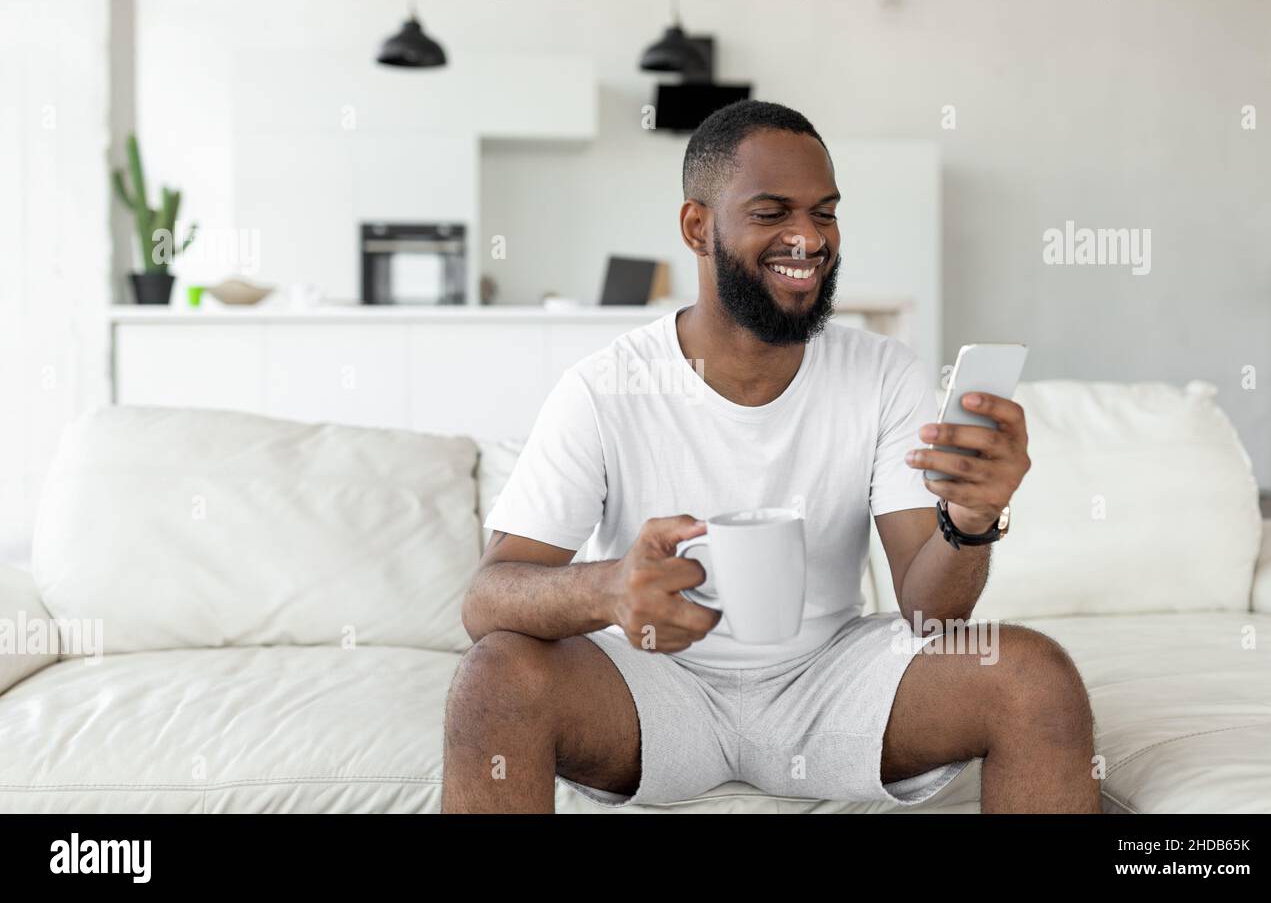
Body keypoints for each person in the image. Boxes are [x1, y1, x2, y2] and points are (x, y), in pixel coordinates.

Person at [441, 100, 1100, 814]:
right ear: (698, 226)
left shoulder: (883, 374)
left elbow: (930, 611)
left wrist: (970, 519)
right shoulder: (604, 388)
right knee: (493, 677)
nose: (807, 239)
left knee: (1036, 677)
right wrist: (607, 590)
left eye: (825, 213)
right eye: (772, 212)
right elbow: (487, 599)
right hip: (655, 686)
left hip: (830, 681)